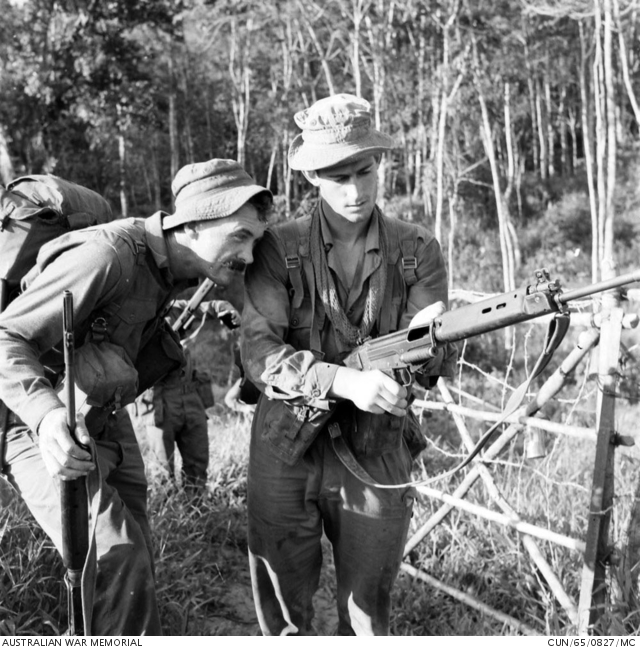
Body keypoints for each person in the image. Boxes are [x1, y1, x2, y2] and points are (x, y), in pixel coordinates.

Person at [0, 159, 271, 635]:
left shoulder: (182, 266)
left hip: (101, 414)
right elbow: (6, 336)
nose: (247, 255)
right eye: (239, 237)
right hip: (34, 420)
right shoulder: (110, 255)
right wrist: (45, 421)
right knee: (115, 553)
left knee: (135, 552)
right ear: (193, 223)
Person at [241, 94, 456, 636]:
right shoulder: (275, 249)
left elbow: (433, 362)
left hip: (377, 444)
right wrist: (342, 380)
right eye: (337, 176)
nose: (355, 191)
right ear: (312, 175)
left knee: (368, 609)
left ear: (378, 164)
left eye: (364, 171)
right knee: (283, 599)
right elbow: (258, 354)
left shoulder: (417, 249)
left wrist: (432, 346)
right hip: (286, 445)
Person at [137, 297, 240, 493]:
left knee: (198, 464)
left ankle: (197, 512)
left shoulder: (177, 307)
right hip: (160, 399)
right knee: (163, 470)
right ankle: (171, 518)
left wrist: (224, 308)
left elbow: (206, 305)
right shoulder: (139, 313)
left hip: (191, 395)